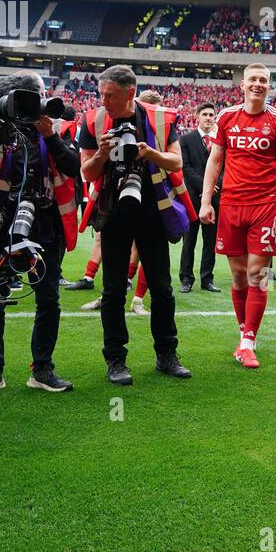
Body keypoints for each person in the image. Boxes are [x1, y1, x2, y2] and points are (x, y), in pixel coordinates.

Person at [77, 65, 193, 385]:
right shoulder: (92, 120)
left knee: (162, 287)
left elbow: (176, 162)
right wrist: (102, 153)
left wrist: (148, 152)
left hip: (152, 211)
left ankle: (166, 354)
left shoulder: (160, 118)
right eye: (101, 94)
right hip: (113, 212)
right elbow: (87, 173)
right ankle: (115, 359)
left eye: (110, 96)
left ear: (130, 93)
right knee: (113, 289)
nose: (103, 102)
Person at [0, 72, 82, 397]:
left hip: (45, 223)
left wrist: (50, 136)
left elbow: (74, 167)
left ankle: (42, 368)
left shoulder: (55, 128)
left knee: (49, 298)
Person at [199, 64, 276, 369]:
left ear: (269, 86)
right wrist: (206, 202)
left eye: (263, 80)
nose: (258, 84)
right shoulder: (227, 117)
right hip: (231, 204)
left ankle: (249, 340)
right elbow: (215, 161)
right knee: (239, 275)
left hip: (265, 206)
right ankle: (243, 335)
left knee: (259, 273)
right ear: (242, 84)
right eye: (253, 79)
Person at [178, 101, 221, 294]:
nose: (208, 118)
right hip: (193, 197)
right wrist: (206, 187)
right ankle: (186, 279)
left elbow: (224, 166)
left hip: (214, 197)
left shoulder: (220, 140)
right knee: (189, 240)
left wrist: (212, 188)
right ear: (197, 116)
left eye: (211, 115)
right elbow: (185, 168)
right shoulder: (186, 139)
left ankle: (207, 279)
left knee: (210, 241)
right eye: (205, 114)